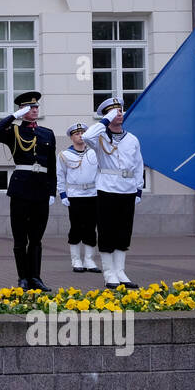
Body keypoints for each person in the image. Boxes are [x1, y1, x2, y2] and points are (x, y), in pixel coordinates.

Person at [0, 91, 56, 291]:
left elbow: (52, 165)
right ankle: (23, 278)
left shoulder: (47, 133)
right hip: (21, 190)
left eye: (36, 107)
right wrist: (14, 117)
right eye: (29, 108)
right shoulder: (13, 132)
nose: (34, 110)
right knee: (20, 238)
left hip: (41, 189)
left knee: (36, 237)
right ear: (22, 110)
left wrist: (52, 190)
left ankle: (35, 277)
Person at [81, 97, 144, 289]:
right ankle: (109, 273)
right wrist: (105, 121)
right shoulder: (99, 138)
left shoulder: (132, 138)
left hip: (128, 188)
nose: (119, 114)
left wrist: (138, 188)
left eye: (121, 111)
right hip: (107, 188)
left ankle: (120, 271)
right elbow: (86, 137)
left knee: (123, 231)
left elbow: (139, 164)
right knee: (107, 230)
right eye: (115, 111)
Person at [55, 121, 100, 279]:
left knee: (91, 227)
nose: (80, 136)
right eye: (77, 134)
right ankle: (76, 260)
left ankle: (89, 260)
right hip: (75, 195)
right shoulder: (64, 155)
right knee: (76, 227)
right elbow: (60, 176)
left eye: (82, 133)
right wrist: (63, 194)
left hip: (93, 194)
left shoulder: (94, 152)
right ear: (71, 137)